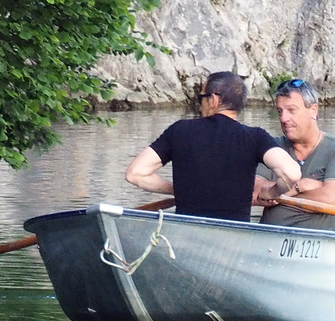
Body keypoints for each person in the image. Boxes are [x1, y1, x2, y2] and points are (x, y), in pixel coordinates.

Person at [125, 71, 302, 220]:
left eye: (201, 98)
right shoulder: (255, 137)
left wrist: (179, 190)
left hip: (186, 232)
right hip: (233, 239)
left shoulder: (180, 131)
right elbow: (291, 173)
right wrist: (271, 193)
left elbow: (135, 174)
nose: (200, 105)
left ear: (214, 100)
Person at [253, 78, 335, 231]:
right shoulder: (272, 148)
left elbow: (330, 199)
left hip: (327, 241)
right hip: (271, 238)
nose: (283, 118)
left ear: (313, 110)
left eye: (291, 110)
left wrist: (275, 192)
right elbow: (253, 193)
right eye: (280, 111)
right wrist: (302, 186)